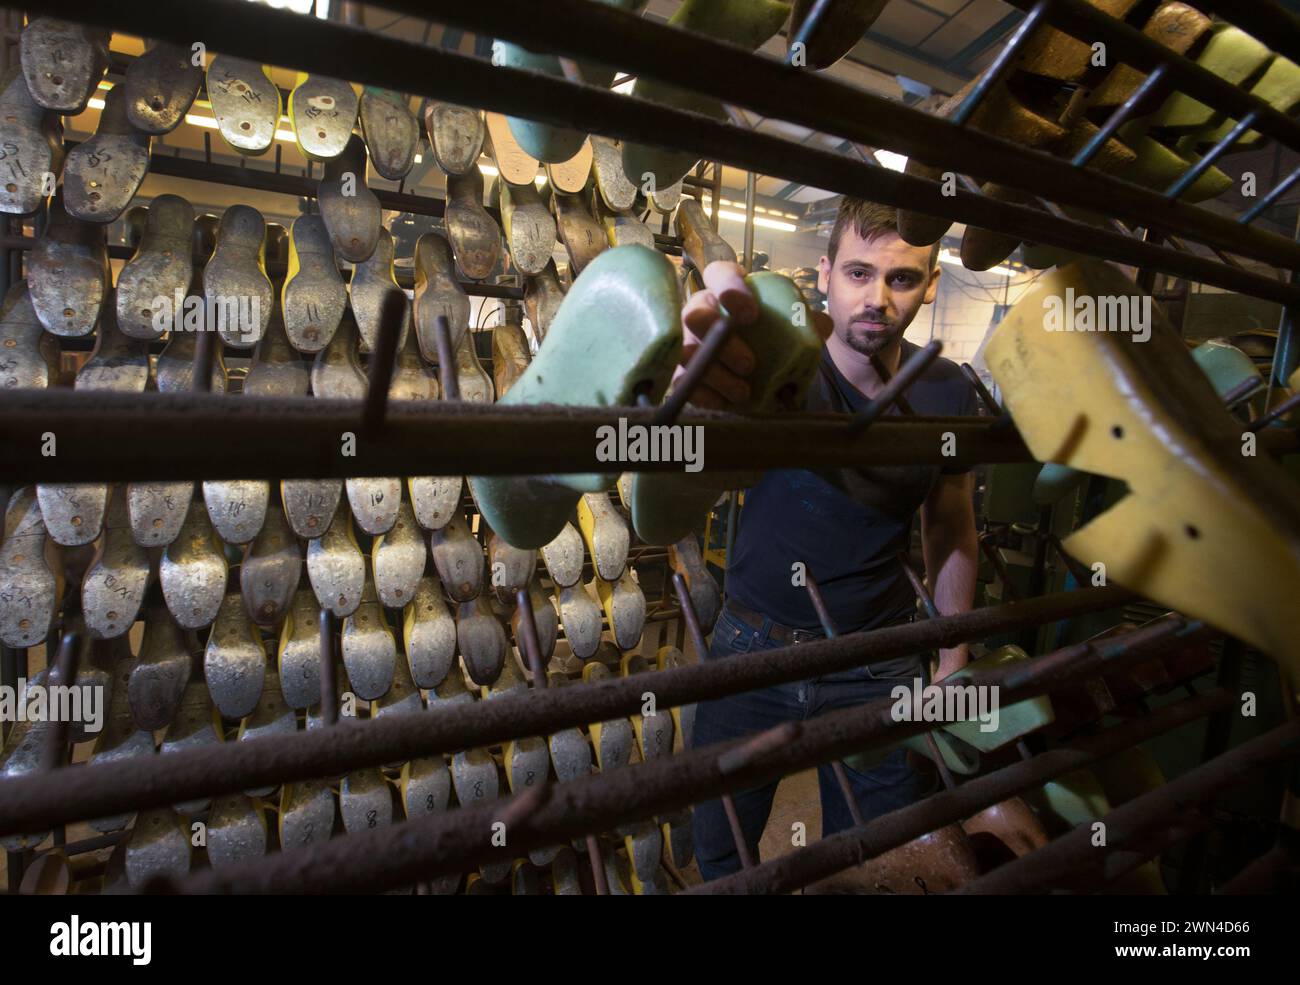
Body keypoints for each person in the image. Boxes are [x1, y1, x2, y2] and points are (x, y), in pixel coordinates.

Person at [675, 197, 981, 880]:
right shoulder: (782, 372)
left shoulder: (946, 393)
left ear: (931, 284)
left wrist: (953, 651)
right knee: (722, 850)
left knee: (879, 856)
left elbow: (951, 515)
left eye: (901, 278)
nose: (876, 297)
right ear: (824, 275)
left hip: (876, 658)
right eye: (858, 273)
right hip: (752, 646)